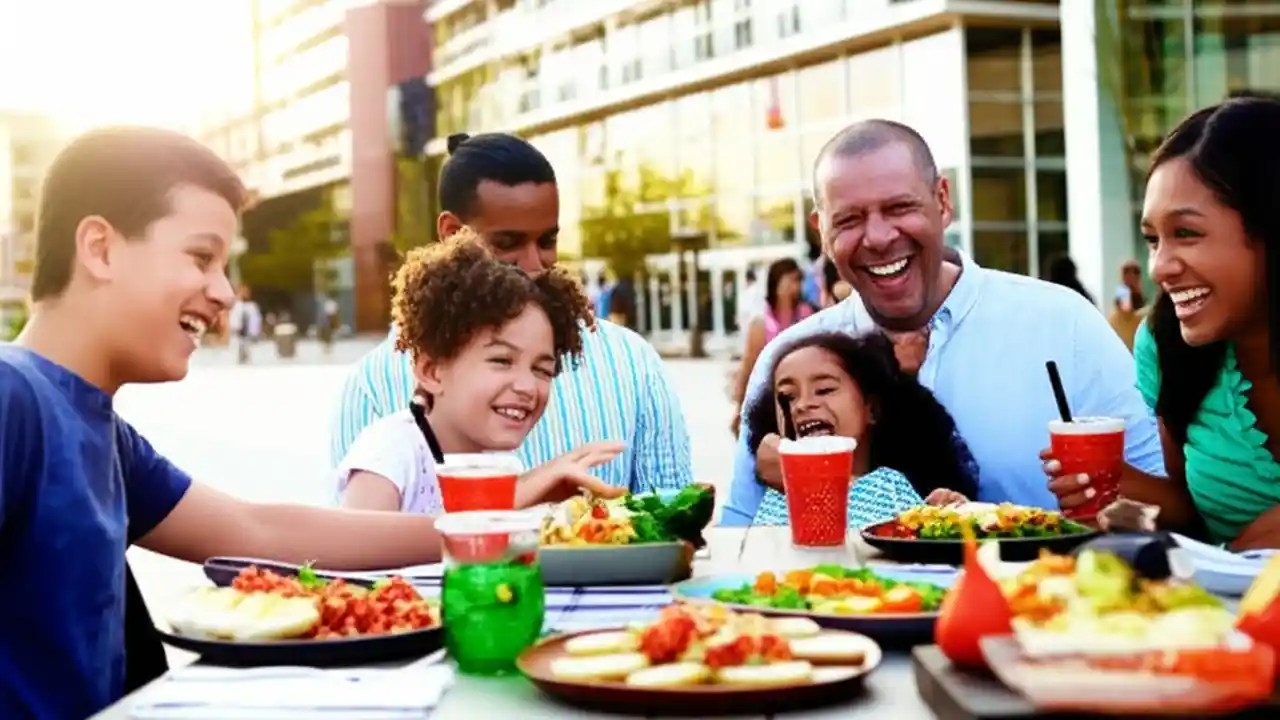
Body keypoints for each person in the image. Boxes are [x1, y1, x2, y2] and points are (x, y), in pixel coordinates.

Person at [0, 127, 611, 718]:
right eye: (201, 257)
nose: (226, 294)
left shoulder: (101, 433)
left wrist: (494, 510)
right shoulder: (14, 397)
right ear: (100, 248)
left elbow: (257, 530)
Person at [721, 119, 1163, 525]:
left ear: (942, 201)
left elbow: (1163, 506)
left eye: (898, 208)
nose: (878, 238)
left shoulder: (1065, 326)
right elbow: (738, 538)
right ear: (822, 232)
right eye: (850, 219)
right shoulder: (790, 366)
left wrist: (1103, 500)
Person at [329, 133, 693, 494]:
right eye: (507, 243)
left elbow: (670, 518)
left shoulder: (630, 361)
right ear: (452, 233)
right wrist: (519, 497)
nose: (535, 264)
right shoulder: (373, 386)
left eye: (547, 241)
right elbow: (349, 542)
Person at [1046, 97, 1280, 549]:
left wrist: (1239, 555)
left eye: (1186, 233)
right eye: (1154, 240)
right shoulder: (1167, 343)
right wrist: (1113, 487)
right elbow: (1196, 511)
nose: (1159, 268)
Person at [338, 230, 623, 512]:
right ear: (432, 371)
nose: (527, 386)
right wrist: (512, 496)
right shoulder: (391, 451)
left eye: (542, 370)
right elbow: (351, 548)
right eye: (501, 361)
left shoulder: (502, 467)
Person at [743, 332, 976, 526]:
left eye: (824, 389)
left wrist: (948, 516)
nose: (802, 405)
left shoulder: (889, 488)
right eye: (787, 397)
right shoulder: (776, 498)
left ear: (871, 410)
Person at [731, 257, 816, 434]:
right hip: (768, 402)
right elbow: (748, 367)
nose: (795, 286)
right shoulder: (761, 323)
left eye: (798, 280)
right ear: (777, 283)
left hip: (802, 401)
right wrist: (739, 408)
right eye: (790, 280)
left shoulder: (808, 316)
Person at [1108, 259, 1146, 351]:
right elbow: (1125, 309)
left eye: (1135, 273)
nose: (1131, 276)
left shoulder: (1142, 307)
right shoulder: (1122, 294)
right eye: (1127, 272)